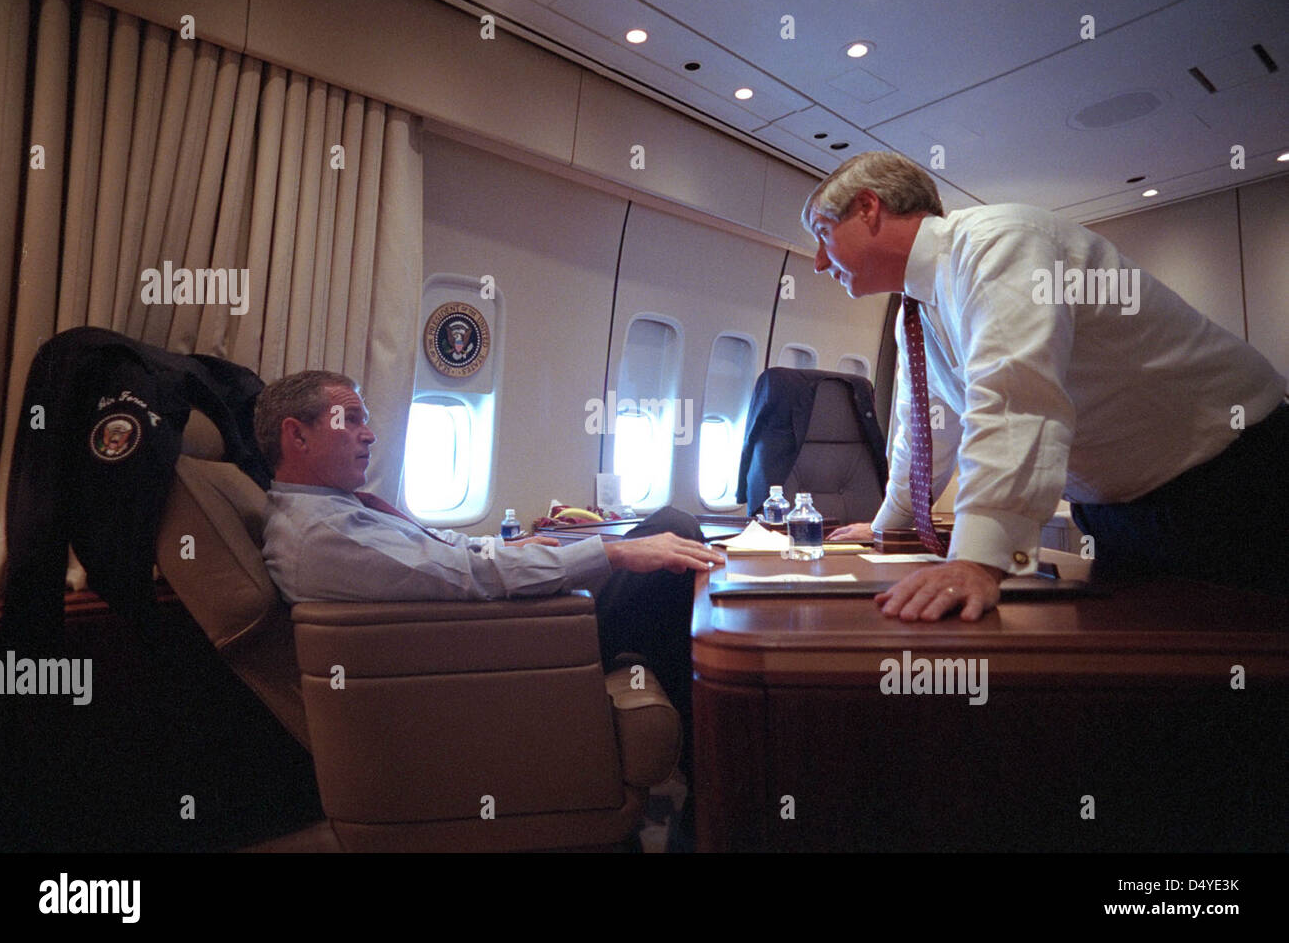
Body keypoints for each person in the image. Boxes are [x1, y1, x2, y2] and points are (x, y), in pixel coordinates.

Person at [804, 151, 1287, 620]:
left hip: (1237, 480)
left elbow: (1017, 397)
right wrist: (887, 527)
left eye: (824, 234)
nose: (820, 263)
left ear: (868, 208)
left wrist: (977, 562)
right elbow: (927, 433)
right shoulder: (915, 314)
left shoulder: (999, 242)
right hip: (1119, 514)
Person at [253, 370, 724, 773]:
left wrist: (505, 543)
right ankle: (714, 772)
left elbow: (442, 546)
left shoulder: (334, 511)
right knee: (670, 544)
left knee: (665, 547)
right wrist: (614, 554)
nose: (370, 435)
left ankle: (702, 763)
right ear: (297, 436)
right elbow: (469, 575)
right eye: (350, 420)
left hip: (488, 628)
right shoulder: (323, 536)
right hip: (494, 644)